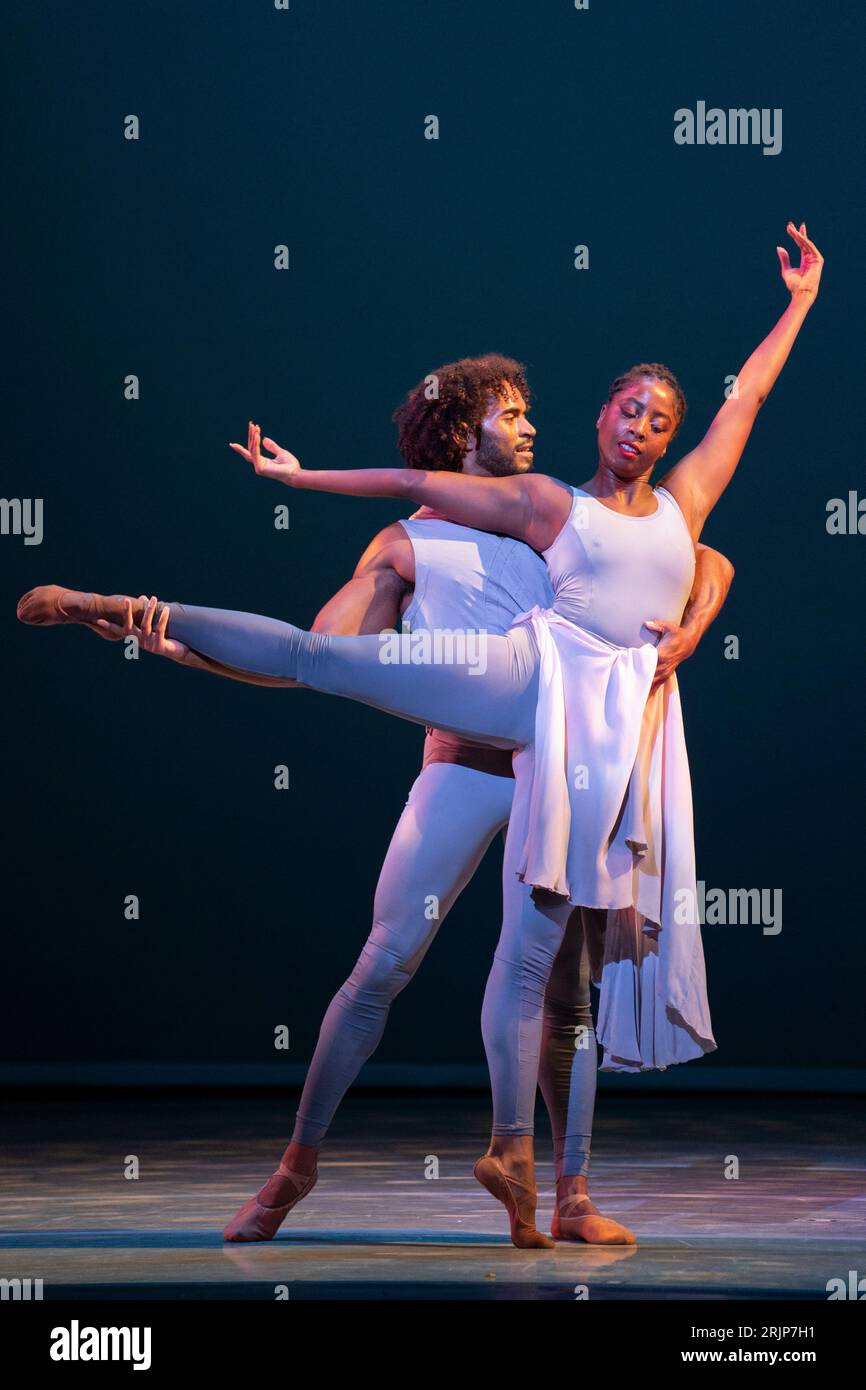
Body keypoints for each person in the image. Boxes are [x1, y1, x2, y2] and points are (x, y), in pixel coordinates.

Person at [17, 221, 822, 1246]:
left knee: (559, 979)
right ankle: (294, 1166)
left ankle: (560, 1189)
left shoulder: (561, 513)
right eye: (510, 413)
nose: (528, 427)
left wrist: (694, 626)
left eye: (536, 414)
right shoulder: (420, 538)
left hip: (555, 763)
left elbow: (695, 554)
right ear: (461, 435)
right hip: (465, 760)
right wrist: (184, 639)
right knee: (386, 959)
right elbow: (317, 654)